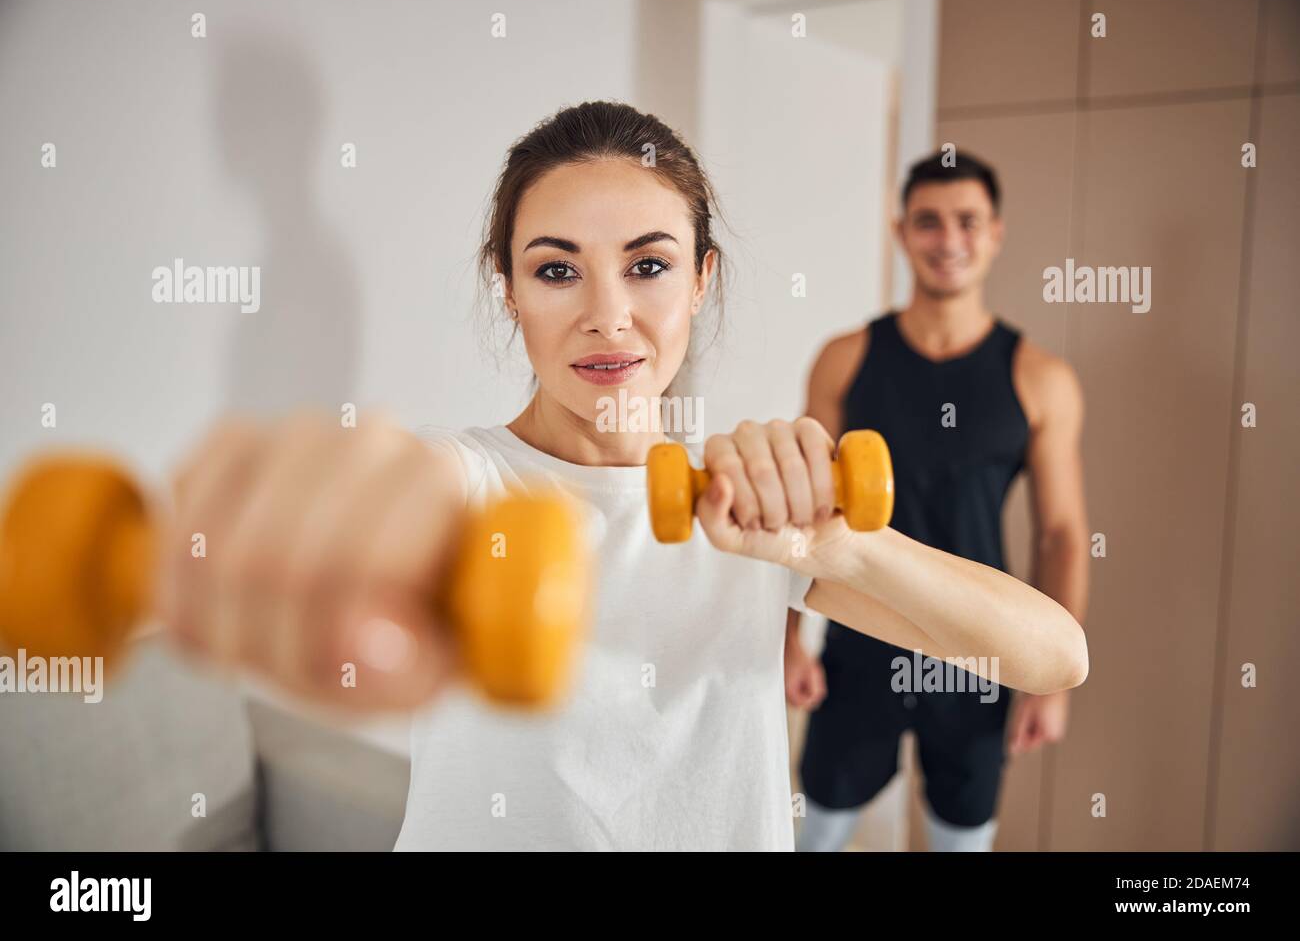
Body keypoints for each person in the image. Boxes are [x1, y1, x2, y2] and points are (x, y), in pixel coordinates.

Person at [160, 105, 1087, 851]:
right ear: (509, 289)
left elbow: (1053, 656)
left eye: (648, 265)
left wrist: (838, 546)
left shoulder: (748, 507)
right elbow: (380, 510)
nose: (609, 318)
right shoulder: (463, 481)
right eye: (557, 269)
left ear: (700, 281)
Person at [787, 151, 1090, 852]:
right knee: (815, 840)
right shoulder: (845, 358)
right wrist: (786, 641)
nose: (947, 240)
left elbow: (1064, 536)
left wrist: (1052, 681)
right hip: (858, 641)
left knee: (961, 841)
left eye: (966, 221)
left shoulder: (1040, 379)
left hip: (981, 650)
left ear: (995, 233)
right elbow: (798, 514)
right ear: (901, 233)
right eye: (928, 222)